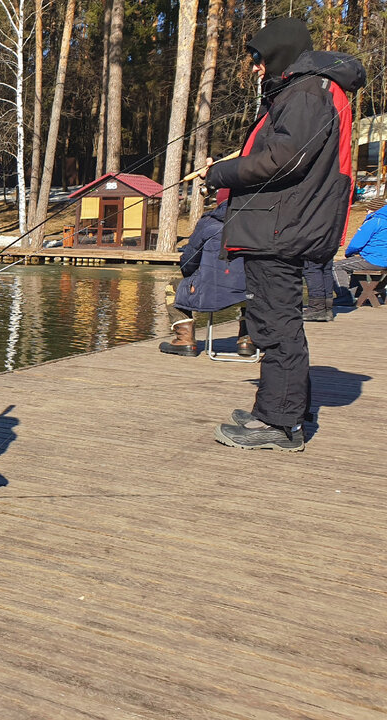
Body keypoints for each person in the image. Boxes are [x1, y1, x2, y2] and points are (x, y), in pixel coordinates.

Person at [204, 17, 364, 451]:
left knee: (276, 326)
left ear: (280, 53)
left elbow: (283, 160)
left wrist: (220, 173)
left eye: (259, 58)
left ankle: (279, 423)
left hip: (281, 227)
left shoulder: (307, 92)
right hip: (280, 224)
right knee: (274, 321)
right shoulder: (303, 91)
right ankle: (283, 407)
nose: (255, 67)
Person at [159, 202, 255, 357]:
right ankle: (247, 339)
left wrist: (191, 278)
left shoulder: (208, 222)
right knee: (249, 287)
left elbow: (189, 262)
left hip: (211, 292)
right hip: (252, 293)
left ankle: (185, 340)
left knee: (173, 287)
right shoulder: (261, 221)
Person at [332, 203, 387, 304]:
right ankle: (358, 293)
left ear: (374, 210)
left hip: (374, 259)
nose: (367, 212)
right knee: (355, 264)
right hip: (382, 260)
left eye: (368, 209)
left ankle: (344, 296)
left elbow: (356, 244)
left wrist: (348, 253)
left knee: (336, 266)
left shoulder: (375, 222)